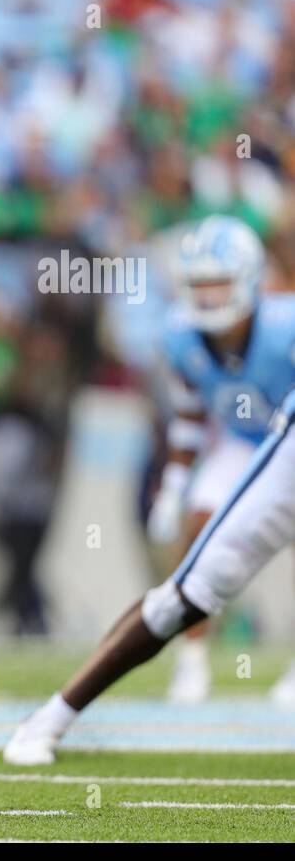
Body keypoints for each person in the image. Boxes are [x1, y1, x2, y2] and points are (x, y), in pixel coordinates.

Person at [3, 386, 295, 764]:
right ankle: (50, 719)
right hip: (272, 456)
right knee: (184, 598)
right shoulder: (212, 342)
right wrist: (175, 487)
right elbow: (191, 410)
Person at [143, 216, 295, 704]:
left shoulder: (283, 326)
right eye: (199, 285)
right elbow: (188, 415)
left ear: (248, 278)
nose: (208, 297)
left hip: (288, 441)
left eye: (218, 283)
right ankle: (192, 663)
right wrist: (174, 485)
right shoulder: (180, 335)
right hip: (240, 439)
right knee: (200, 530)